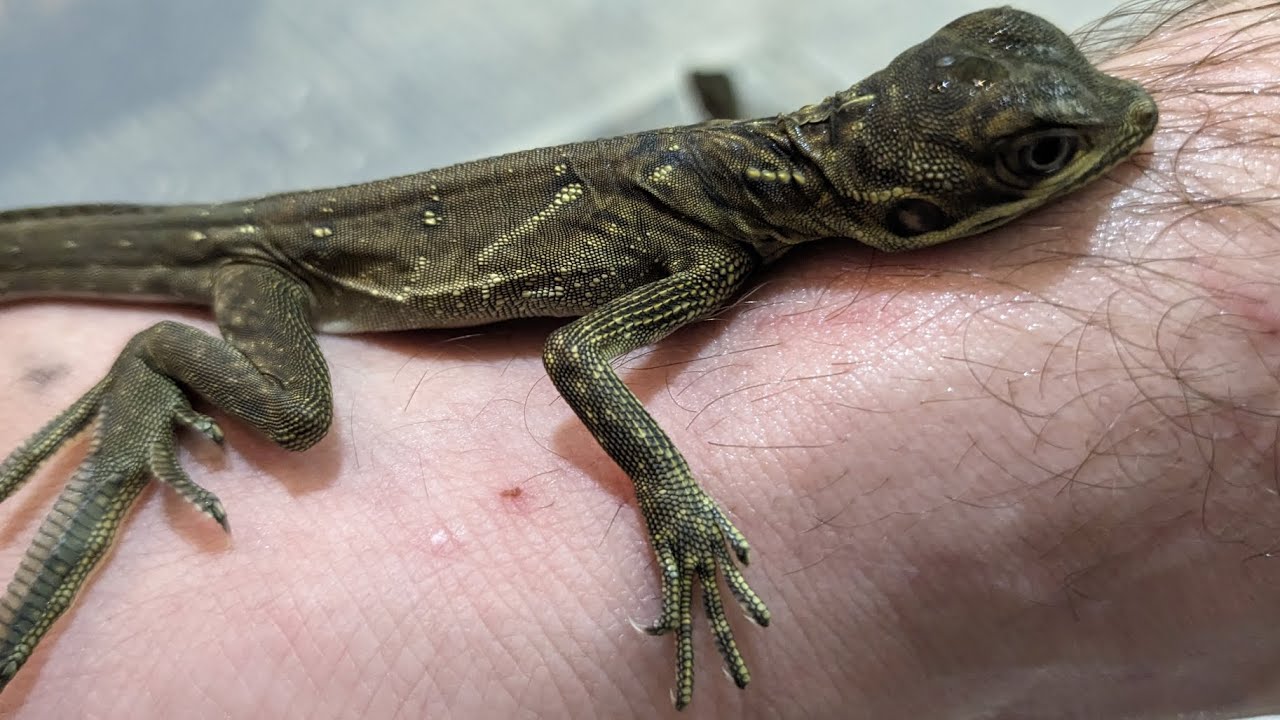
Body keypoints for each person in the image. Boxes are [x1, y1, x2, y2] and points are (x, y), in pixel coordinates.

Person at [0, 1, 1276, 717]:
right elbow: (579, 354)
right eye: (1035, 161)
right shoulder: (719, 251)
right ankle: (151, 367)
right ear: (902, 208)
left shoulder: (751, 209)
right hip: (276, 272)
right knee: (289, 413)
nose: (1130, 131)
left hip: (294, 233)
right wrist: (671, 497)